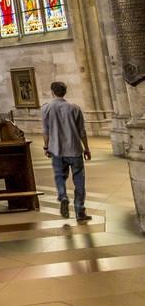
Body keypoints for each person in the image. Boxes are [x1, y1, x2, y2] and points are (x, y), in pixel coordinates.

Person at [42, 81, 91, 221]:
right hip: (75, 149)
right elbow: (82, 131)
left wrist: (46, 147)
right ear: (65, 92)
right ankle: (80, 211)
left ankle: (63, 196)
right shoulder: (74, 108)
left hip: (57, 150)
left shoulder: (46, 108)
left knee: (59, 176)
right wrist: (86, 149)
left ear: (52, 92)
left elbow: (45, 131)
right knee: (79, 180)